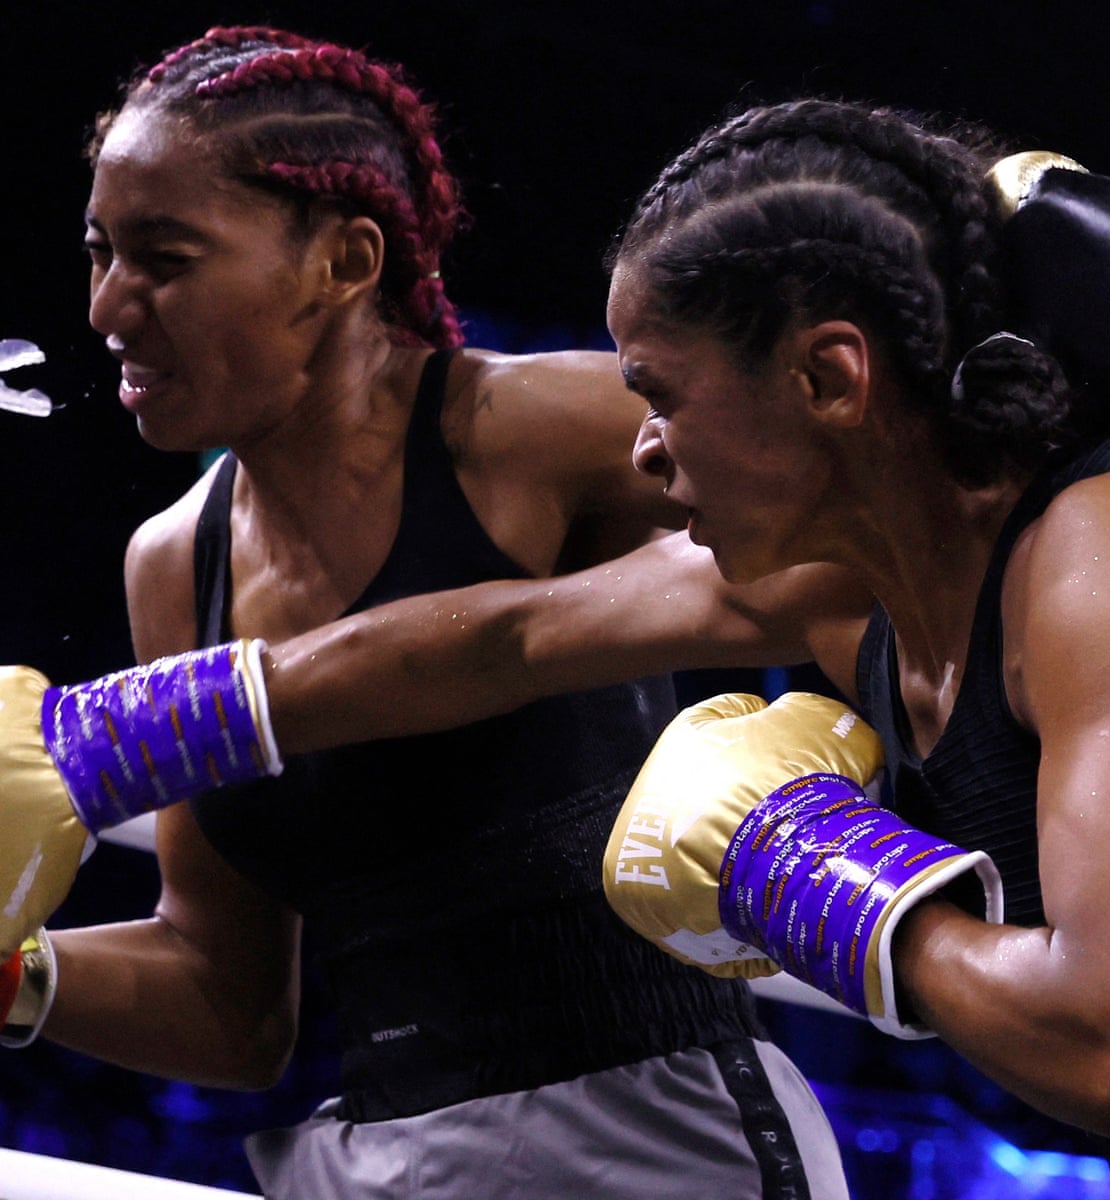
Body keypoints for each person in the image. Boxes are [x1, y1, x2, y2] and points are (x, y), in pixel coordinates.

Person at [0, 25, 852, 1200]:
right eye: (100, 252)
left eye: (166, 258)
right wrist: (11, 973)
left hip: (652, 1136)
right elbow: (226, 1003)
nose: (109, 306)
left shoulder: (534, 431)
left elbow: (867, 523)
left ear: (345, 262)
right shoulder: (173, 564)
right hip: (380, 1157)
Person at [595, 96, 1110, 1198]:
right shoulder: (868, 601)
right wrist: (229, 706)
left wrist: (810, 871)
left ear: (827, 379)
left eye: (658, 395)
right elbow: (509, 634)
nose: (640, 449)